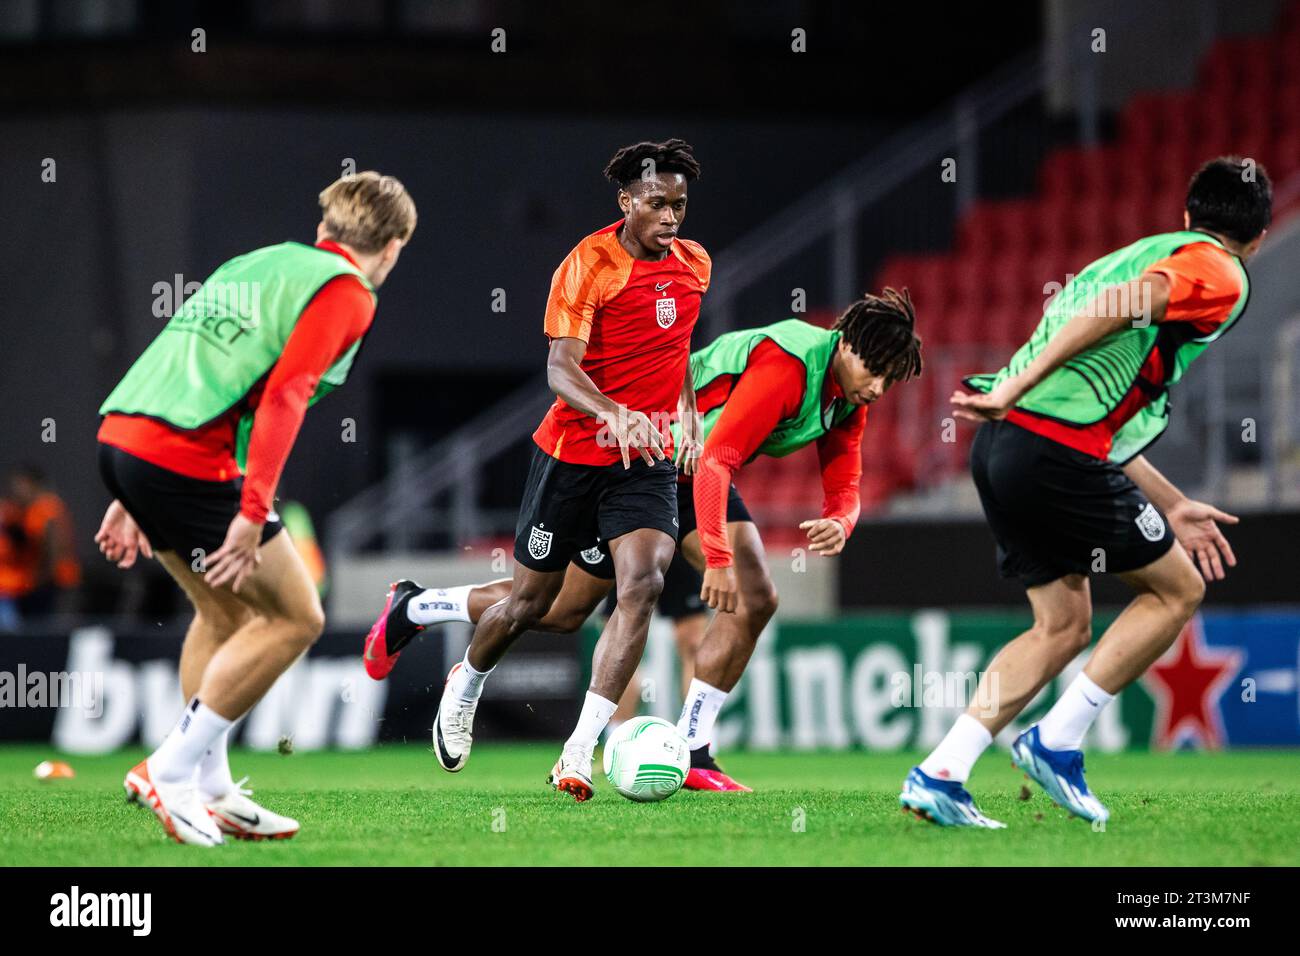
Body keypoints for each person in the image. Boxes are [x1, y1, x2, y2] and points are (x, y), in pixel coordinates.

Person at [365, 289, 924, 794]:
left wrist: (841, 518)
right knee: (556, 611)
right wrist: (719, 558)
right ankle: (417, 605)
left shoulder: (850, 395)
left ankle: (697, 749)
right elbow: (717, 461)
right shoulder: (789, 364)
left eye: (888, 378)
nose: (876, 385)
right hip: (650, 462)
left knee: (758, 598)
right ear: (845, 342)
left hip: (693, 472)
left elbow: (845, 473)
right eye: (872, 368)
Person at [900, 156, 1270, 828]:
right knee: (1178, 590)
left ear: (1187, 217)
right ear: (1259, 239)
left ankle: (941, 773)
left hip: (1007, 447)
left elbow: (1100, 404)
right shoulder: (1219, 270)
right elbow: (1115, 310)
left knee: (1063, 625)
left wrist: (1171, 501)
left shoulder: (1135, 252)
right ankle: (1057, 739)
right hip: (1048, 445)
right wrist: (1013, 384)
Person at [366, 139, 709, 801]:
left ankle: (577, 754)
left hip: (646, 464)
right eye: (657, 203)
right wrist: (612, 412)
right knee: (537, 609)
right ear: (626, 201)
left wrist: (688, 414)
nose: (671, 217)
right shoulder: (588, 265)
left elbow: (678, 351)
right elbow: (559, 368)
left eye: (681, 204)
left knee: (643, 585)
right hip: (573, 459)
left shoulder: (694, 265)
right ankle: (463, 677)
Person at [94, 171, 416, 845]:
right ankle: (171, 768)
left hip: (125, 434)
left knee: (225, 611)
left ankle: (209, 788)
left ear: (324, 229)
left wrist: (127, 490)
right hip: (183, 457)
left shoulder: (259, 262)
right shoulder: (348, 292)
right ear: (390, 247)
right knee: (299, 615)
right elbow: (284, 396)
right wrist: (254, 505)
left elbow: (187, 358)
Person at [0, 465, 82, 620]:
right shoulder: (23, 510)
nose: (17, 490)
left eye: (21, 485)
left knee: (46, 630)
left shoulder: (47, 508)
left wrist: (39, 580)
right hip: (34, 583)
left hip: (54, 581)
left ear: (34, 484)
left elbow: (53, 549)